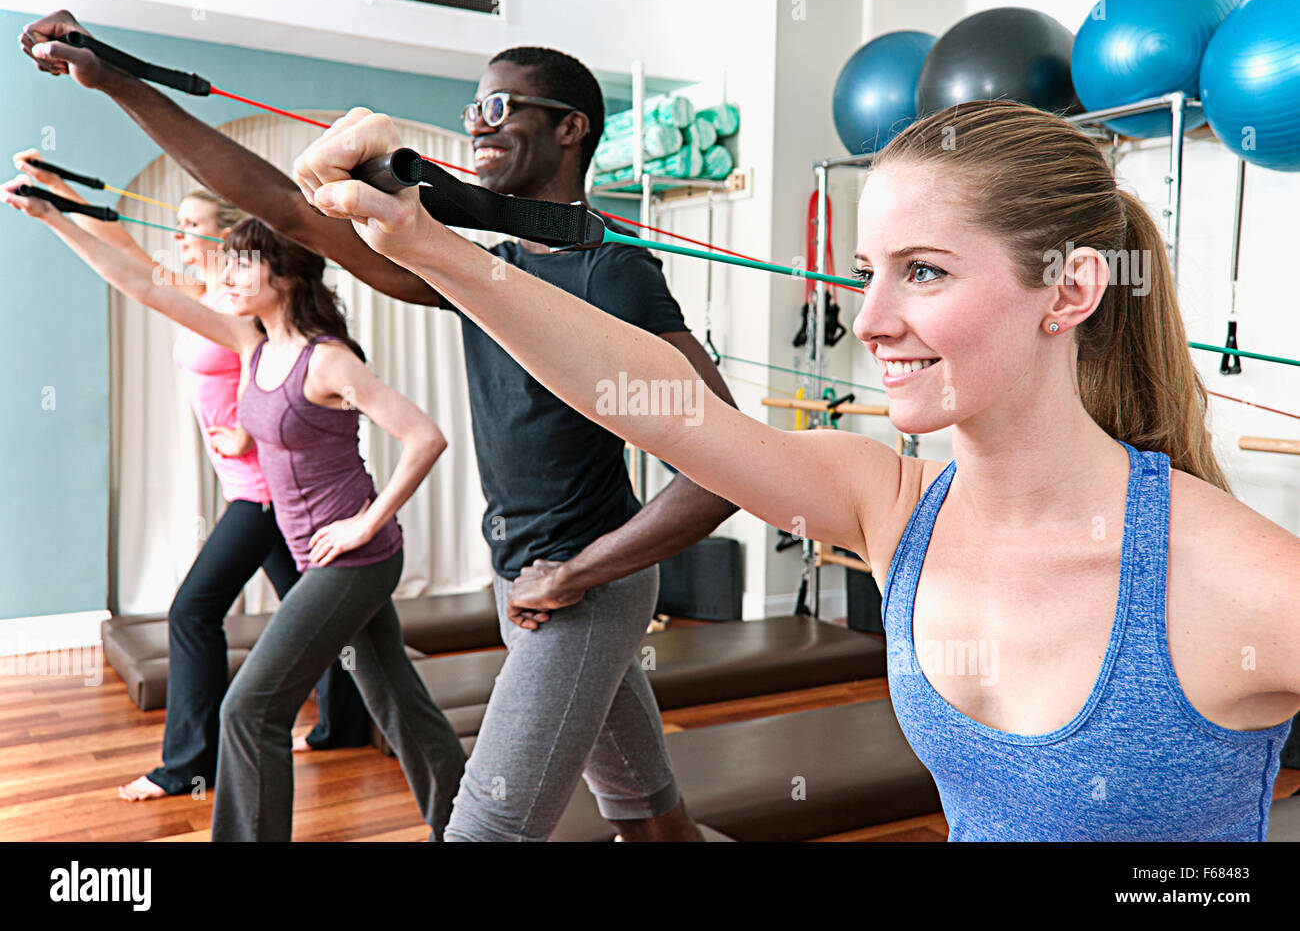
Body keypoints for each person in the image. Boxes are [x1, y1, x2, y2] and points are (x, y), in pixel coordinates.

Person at [291, 99, 1300, 841]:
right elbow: (659, 402)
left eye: (925, 271)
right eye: (868, 274)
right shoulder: (893, 507)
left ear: (1071, 288)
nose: (869, 321)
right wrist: (431, 242)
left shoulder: (1241, 580)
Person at [22, 11, 739, 841]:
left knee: (484, 829)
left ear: (571, 128)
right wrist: (117, 81)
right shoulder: (484, 269)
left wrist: (576, 573)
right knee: (649, 816)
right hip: (525, 578)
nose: (478, 125)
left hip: (581, 591)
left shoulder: (614, 272)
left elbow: (726, 465)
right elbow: (287, 210)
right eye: (473, 111)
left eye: (500, 108)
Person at [3, 180, 466, 841]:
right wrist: (56, 217)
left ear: (283, 274)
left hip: (356, 559)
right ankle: (469, 827)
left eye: (246, 260)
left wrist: (369, 520)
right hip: (315, 551)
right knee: (397, 699)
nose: (230, 271)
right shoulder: (251, 344)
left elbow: (425, 435)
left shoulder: (328, 360)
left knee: (250, 710)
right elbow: (144, 286)